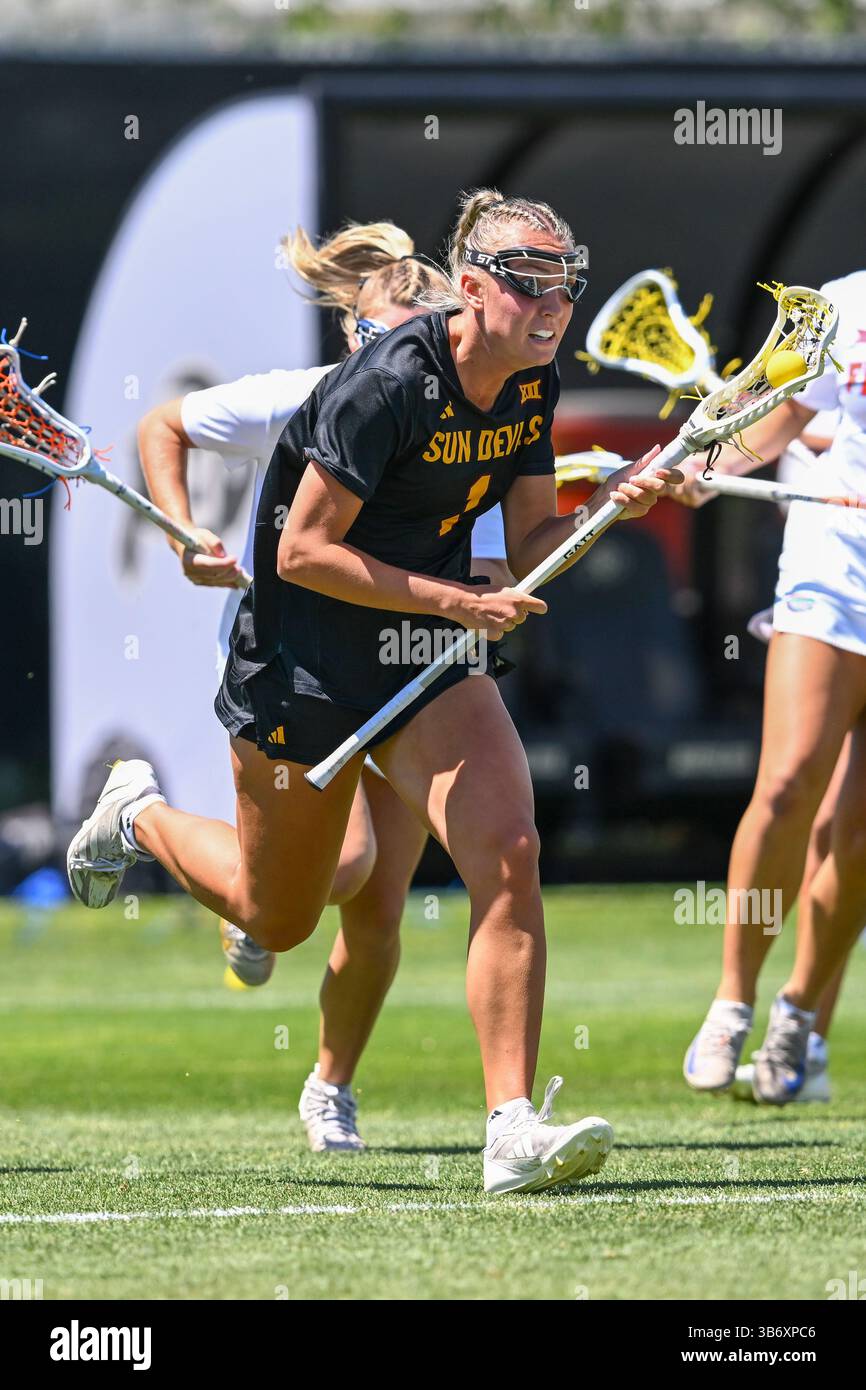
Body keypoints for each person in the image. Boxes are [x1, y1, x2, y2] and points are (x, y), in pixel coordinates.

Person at [69, 188, 679, 1193]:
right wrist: (451, 593)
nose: (552, 309)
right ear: (471, 288)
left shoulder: (530, 380)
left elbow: (528, 546)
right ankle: (138, 816)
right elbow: (303, 552)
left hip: (420, 653)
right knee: (277, 918)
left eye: (563, 290)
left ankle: (510, 1128)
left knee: (508, 847)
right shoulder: (384, 384)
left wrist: (601, 511)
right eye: (530, 289)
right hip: (300, 661)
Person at [137, 219, 512, 1153]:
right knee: (321, 885)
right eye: (389, 339)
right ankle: (142, 816)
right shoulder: (312, 399)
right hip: (300, 665)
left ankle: (330, 1087)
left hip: (409, 669)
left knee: (382, 900)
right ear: (358, 339)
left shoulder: (472, 405)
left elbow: (493, 558)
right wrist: (185, 535)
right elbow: (164, 425)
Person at [677, 270, 866, 1104]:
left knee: (856, 834)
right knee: (788, 785)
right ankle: (733, 999)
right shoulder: (844, 302)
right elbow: (786, 413)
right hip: (833, 568)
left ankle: (799, 1011)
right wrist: (703, 466)